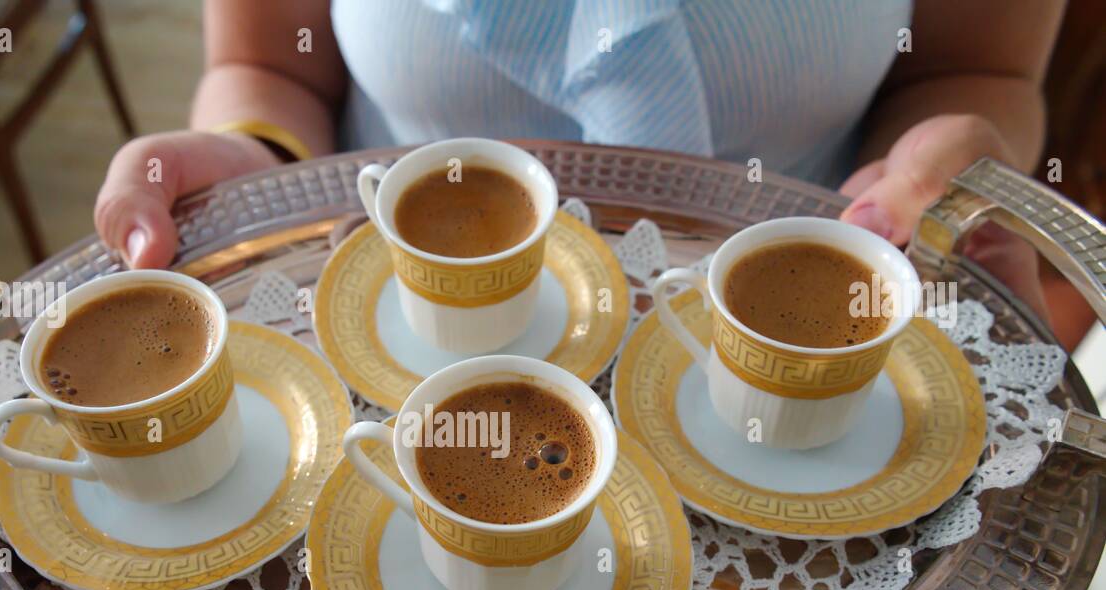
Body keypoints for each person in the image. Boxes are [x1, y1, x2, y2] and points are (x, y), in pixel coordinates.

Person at [94, 0, 1063, 310]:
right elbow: (265, 62)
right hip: (400, 328)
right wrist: (256, 150)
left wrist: (952, 163)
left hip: (789, 335)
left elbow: (980, 71)